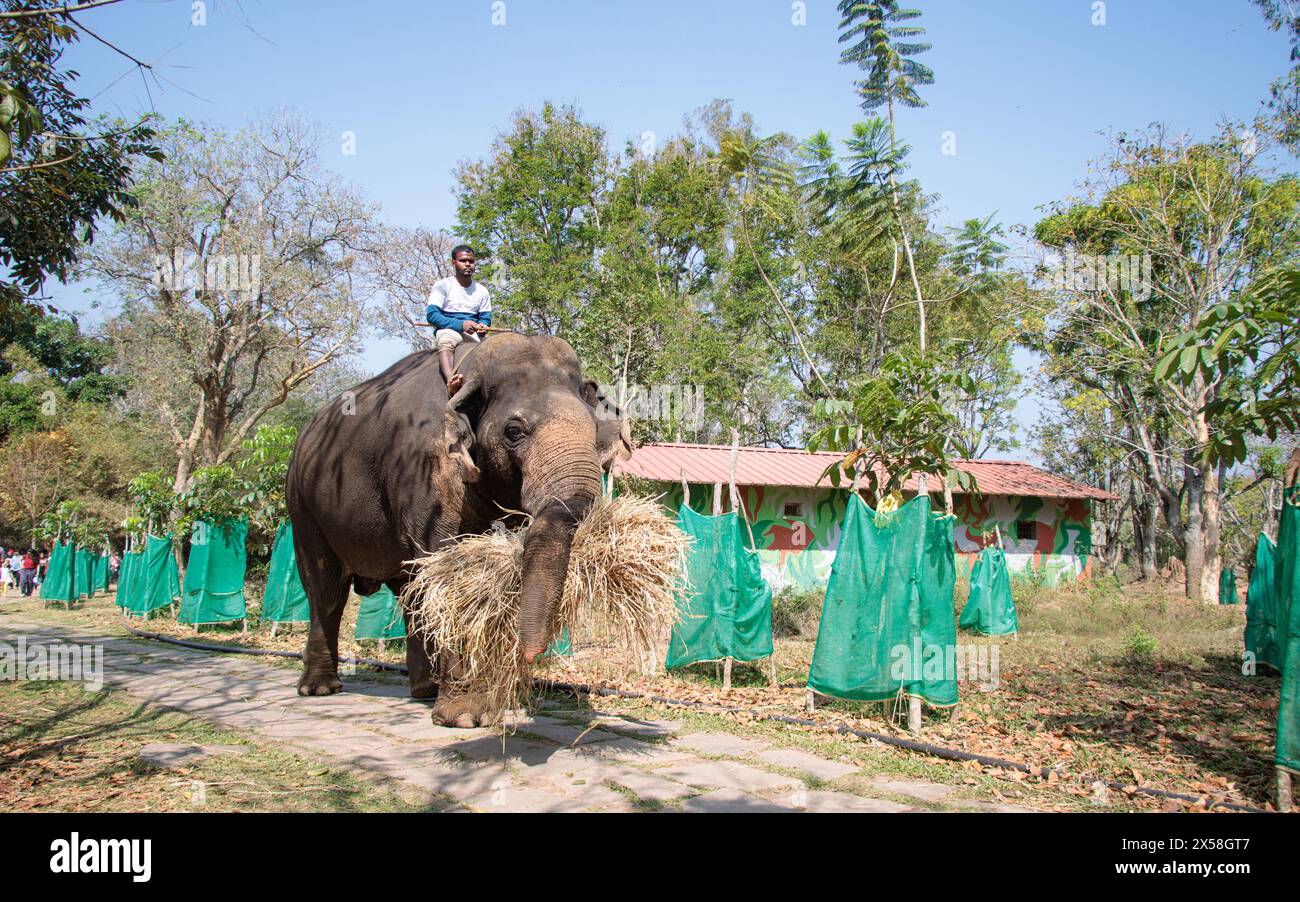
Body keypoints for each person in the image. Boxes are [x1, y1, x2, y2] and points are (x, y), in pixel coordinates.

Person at [426, 244, 492, 396]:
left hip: (474, 334)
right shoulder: (442, 286)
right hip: (450, 330)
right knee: (446, 339)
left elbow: (485, 317)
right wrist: (460, 324)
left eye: (471, 261)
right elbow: (432, 316)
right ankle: (451, 380)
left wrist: (483, 326)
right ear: (453, 263)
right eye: (463, 260)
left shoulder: (482, 290)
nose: (468, 264)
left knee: (496, 349)